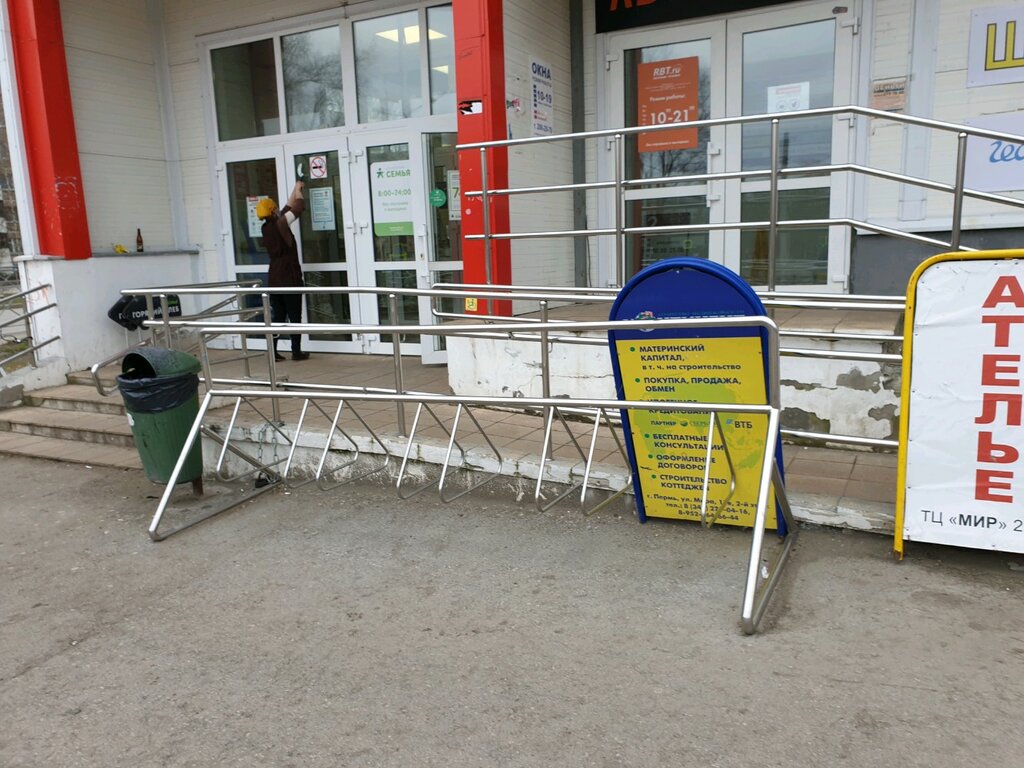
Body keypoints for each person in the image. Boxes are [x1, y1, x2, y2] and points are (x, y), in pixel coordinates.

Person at [256, 180, 309, 361]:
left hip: (274, 278)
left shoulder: (266, 227)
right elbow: (298, 208)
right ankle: (296, 351)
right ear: (272, 210)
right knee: (294, 316)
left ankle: (274, 352)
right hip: (289, 276)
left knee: (278, 317)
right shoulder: (280, 224)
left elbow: (287, 207)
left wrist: (295, 188)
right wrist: (300, 194)